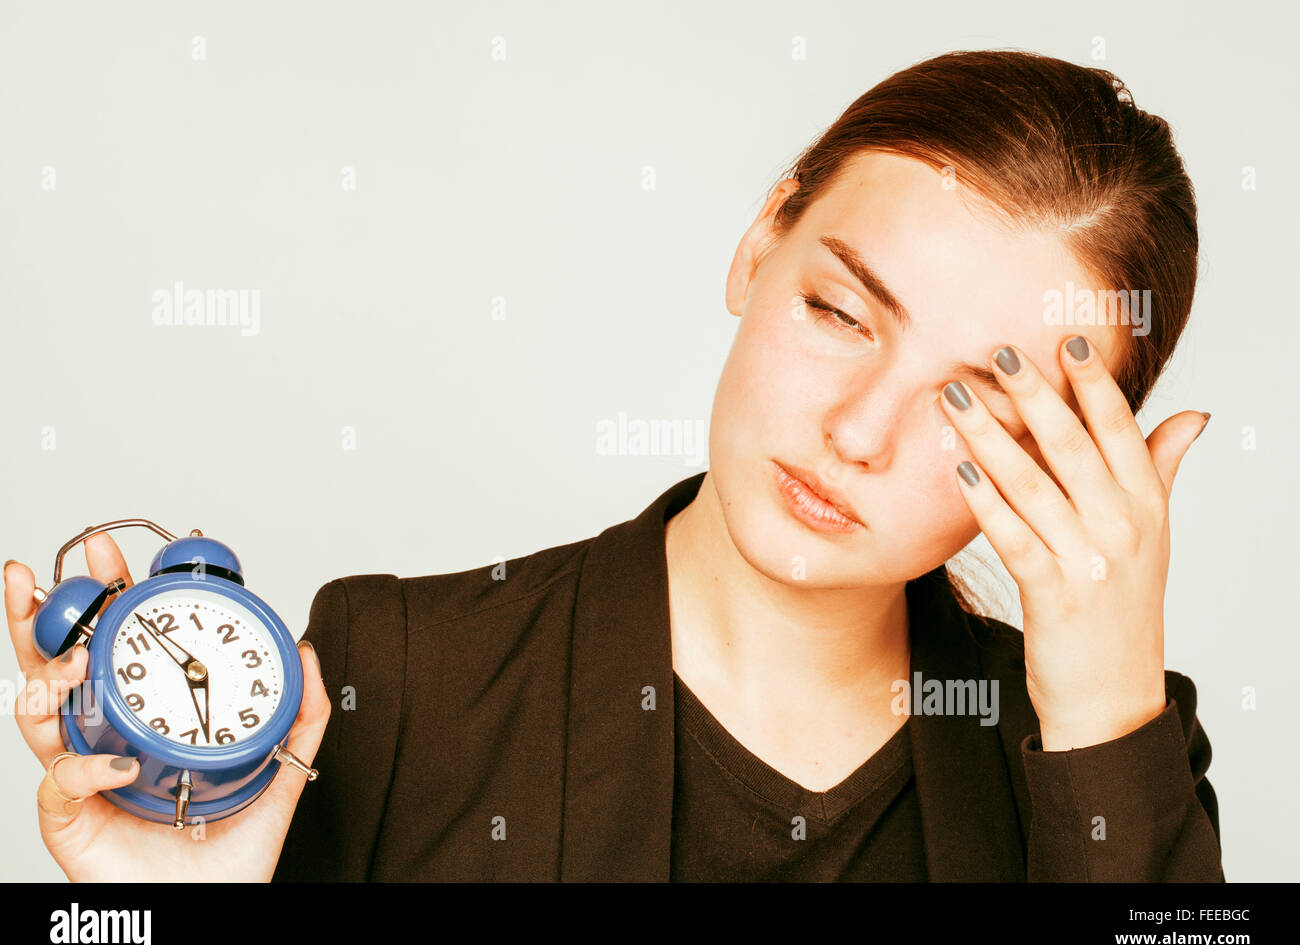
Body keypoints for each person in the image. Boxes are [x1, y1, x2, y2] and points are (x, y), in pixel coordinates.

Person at [5, 49, 1223, 882]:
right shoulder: (391, 676)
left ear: (1087, 461)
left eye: (978, 405)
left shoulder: (1115, 756)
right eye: (841, 313)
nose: (859, 431)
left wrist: (1109, 727)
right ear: (761, 244)